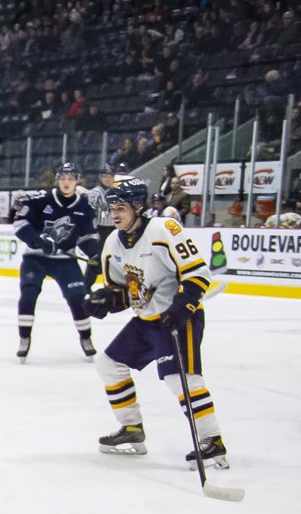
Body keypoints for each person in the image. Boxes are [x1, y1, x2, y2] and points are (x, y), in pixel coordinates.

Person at [85, 175, 227, 468]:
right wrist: (105, 301)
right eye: (111, 208)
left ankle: (212, 440)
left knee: (181, 379)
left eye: (121, 207)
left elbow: (199, 273)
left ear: (138, 206)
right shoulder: (112, 241)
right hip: (145, 320)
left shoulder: (164, 229)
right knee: (109, 365)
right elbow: (125, 292)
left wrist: (182, 306)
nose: (114, 214)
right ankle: (132, 430)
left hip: (177, 318)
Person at [13, 163, 100, 361]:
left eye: (71, 179)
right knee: (28, 293)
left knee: (78, 298)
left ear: (77, 181)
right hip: (36, 258)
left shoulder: (84, 206)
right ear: (57, 180)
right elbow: (20, 224)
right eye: (63, 179)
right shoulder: (42, 199)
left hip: (64, 260)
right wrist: (38, 242)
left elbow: (86, 237)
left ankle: (86, 338)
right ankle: (24, 339)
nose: (66, 183)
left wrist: (94, 254)